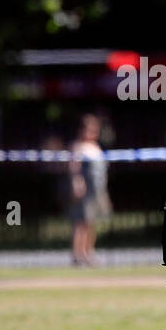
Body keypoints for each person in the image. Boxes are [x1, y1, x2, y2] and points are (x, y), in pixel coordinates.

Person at [68, 114, 112, 266]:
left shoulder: (96, 147)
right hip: (84, 191)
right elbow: (74, 168)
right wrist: (77, 183)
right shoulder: (78, 146)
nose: (92, 132)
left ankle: (88, 253)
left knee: (91, 223)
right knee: (81, 222)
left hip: (96, 191)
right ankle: (77, 254)